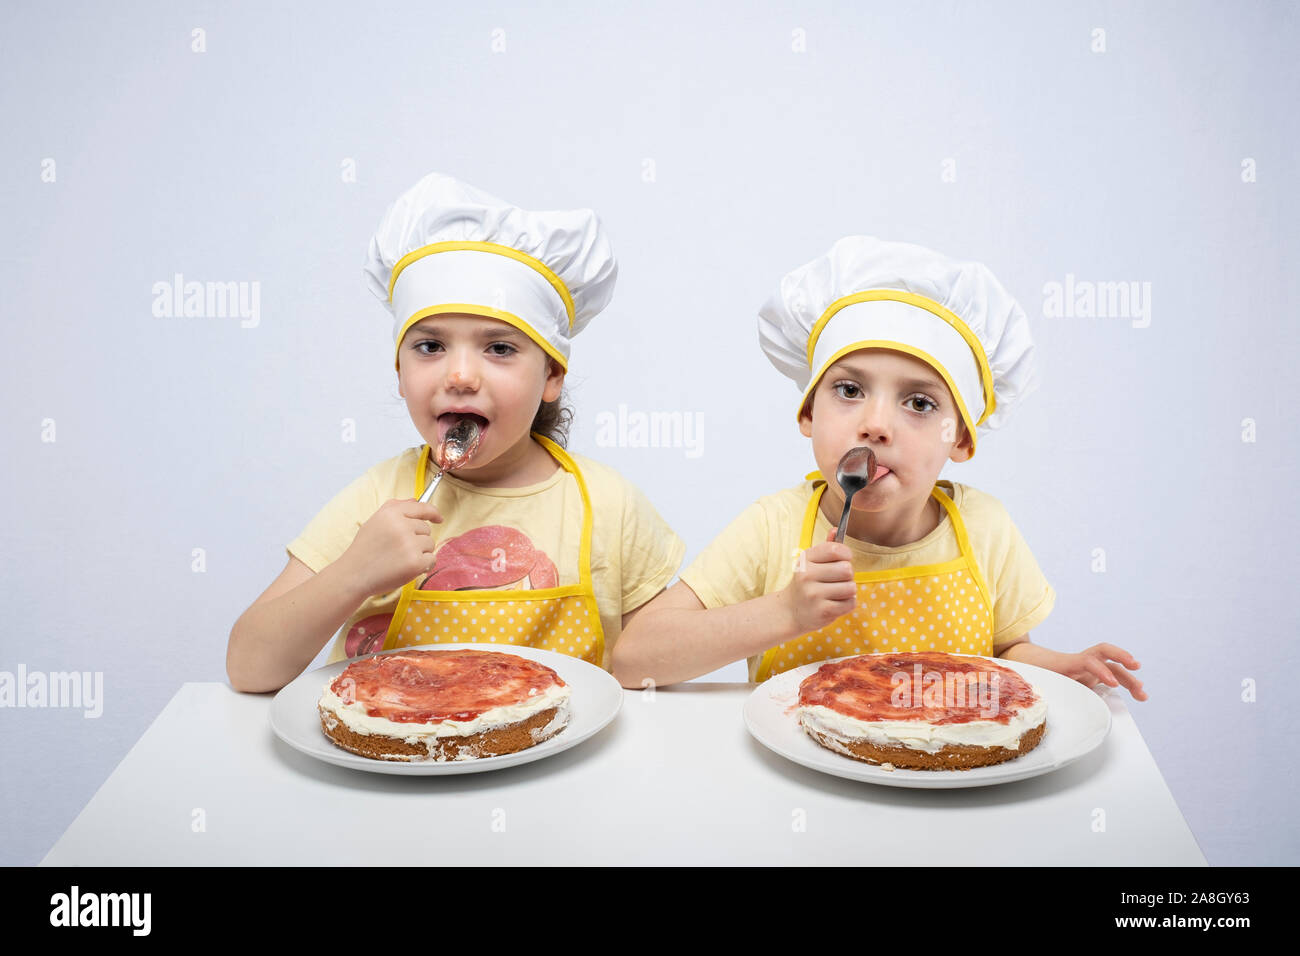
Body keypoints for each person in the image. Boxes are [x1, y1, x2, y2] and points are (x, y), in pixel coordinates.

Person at [612, 236, 1146, 701]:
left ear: (960, 438)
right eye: (849, 390)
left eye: (919, 403)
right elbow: (635, 660)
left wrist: (1060, 667)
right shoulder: (772, 529)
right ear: (808, 413)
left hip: (943, 780)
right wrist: (785, 612)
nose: (875, 425)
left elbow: (1007, 649)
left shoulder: (985, 528)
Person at [228, 173, 684, 693]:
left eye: (499, 348)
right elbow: (248, 668)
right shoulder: (378, 498)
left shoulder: (608, 505)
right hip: (397, 757)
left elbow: (656, 663)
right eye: (429, 346)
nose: (460, 376)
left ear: (552, 375)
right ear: (399, 374)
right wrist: (353, 573)